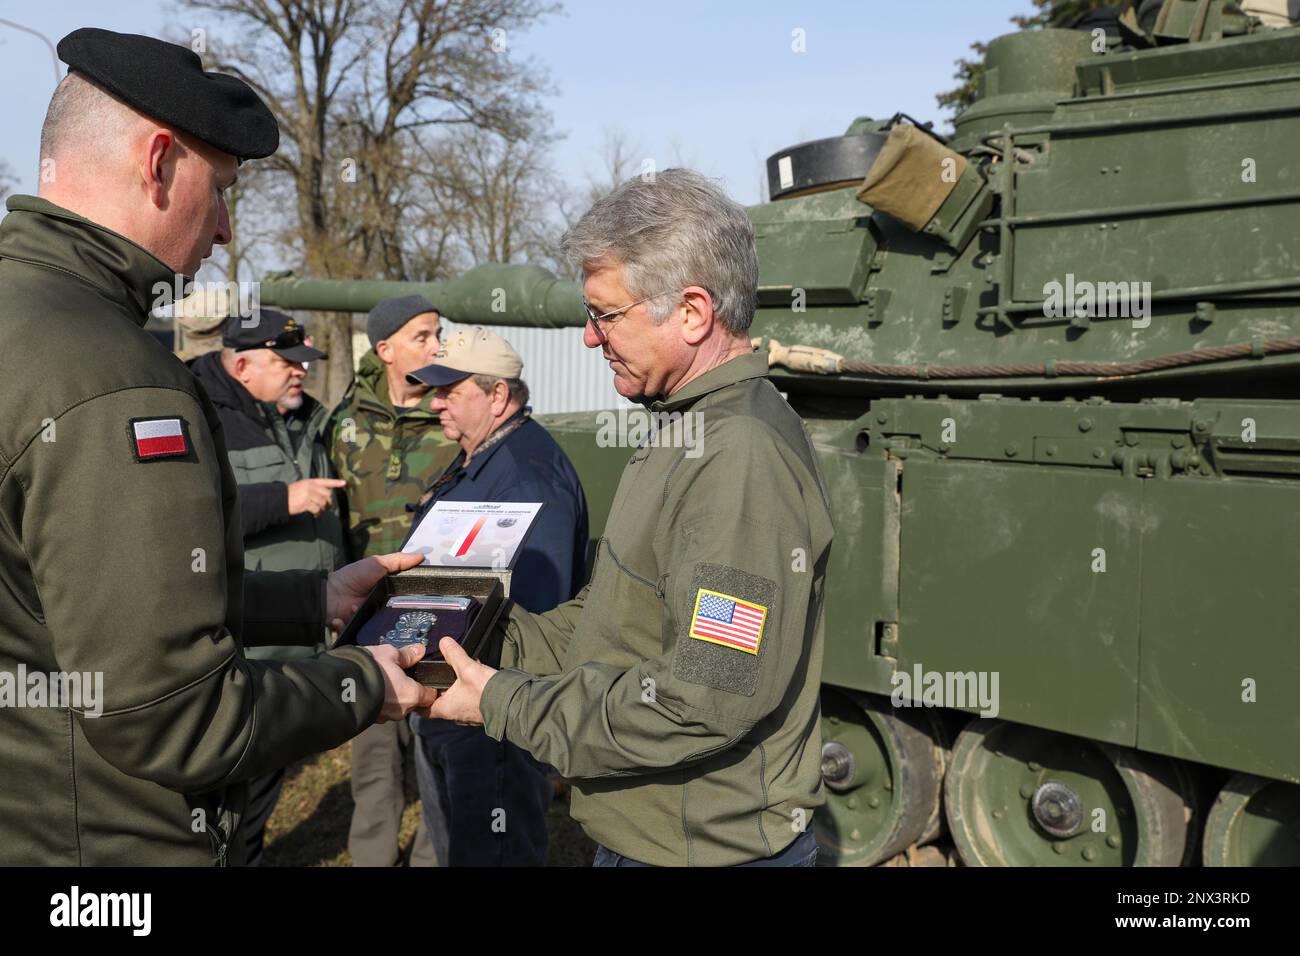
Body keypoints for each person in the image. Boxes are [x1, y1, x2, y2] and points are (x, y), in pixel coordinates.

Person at [0, 26, 434, 866]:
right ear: (158, 162)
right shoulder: (115, 378)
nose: (227, 231)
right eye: (223, 189)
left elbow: (72, 607)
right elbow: (175, 717)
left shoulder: (28, 320)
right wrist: (366, 683)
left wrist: (307, 604)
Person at [425, 168, 834, 867]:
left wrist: (504, 703)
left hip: (702, 849)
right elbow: (618, 621)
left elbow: (704, 698)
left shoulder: (734, 456)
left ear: (693, 312)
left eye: (605, 314)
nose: (590, 338)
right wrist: (468, 635)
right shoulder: (689, 427)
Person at [406, 327, 589, 866]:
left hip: (489, 715)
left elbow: (540, 610)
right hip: (446, 696)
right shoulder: (477, 458)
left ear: (498, 396)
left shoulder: (530, 479)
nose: (435, 402)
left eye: (449, 391)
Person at [188, 310, 348, 865]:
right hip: (246, 640)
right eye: (287, 363)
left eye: (303, 363)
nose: (300, 374)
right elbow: (188, 518)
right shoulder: (199, 418)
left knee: (262, 786)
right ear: (241, 363)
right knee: (234, 794)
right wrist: (282, 500)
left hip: (298, 632)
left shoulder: (302, 416)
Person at [327, 295, 457, 866]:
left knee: (440, 756)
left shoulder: (454, 417)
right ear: (386, 349)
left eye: (438, 334)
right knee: (374, 759)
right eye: (424, 336)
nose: (437, 346)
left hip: (445, 614)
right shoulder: (344, 423)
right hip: (370, 618)